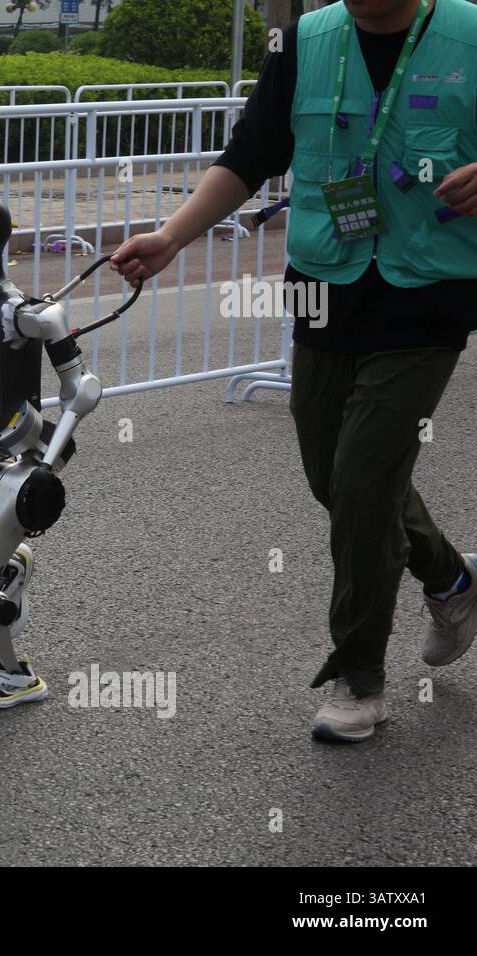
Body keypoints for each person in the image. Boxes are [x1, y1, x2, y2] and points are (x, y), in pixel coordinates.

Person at [111, 0, 477, 742]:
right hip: (325, 286)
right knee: (332, 479)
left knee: (366, 482)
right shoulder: (307, 41)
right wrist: (173, 237)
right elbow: (250, 155)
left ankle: (359, 674)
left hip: (430, 292)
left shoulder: (470, 31)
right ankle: (452, 579)